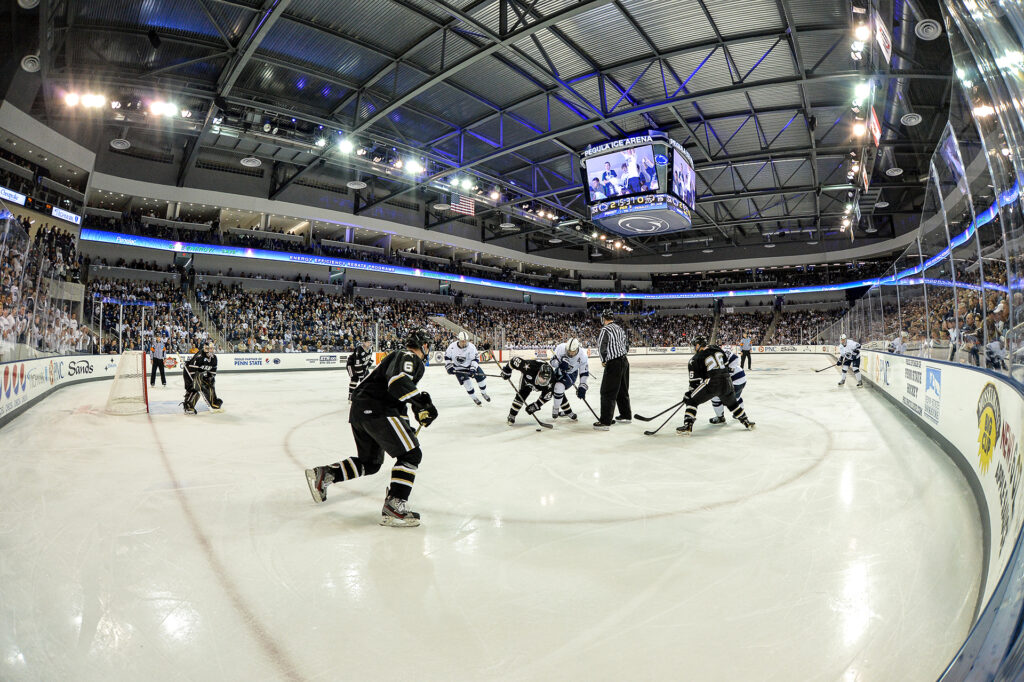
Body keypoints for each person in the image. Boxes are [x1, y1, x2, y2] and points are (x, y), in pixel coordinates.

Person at [304, 329, 438, 527]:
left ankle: (325, 475)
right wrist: (422, 403)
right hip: (378, 410)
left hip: (361, 410)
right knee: (411, 455)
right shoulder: (408, 356)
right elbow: (398, 382)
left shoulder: (399, 357)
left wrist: (415, 414)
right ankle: (394, 506)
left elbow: (398, 395)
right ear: (425, 346)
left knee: (371, 462)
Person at [676, 338, 755, 435]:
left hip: (712, 383)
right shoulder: (716, 349)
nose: (693, 348)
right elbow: (726, 364)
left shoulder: (694, 359)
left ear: (698, 345)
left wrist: (689, 394)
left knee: (692, 400)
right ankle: (747, 422)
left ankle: (687, 426)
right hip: (727, 382)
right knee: (733, 404)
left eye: (694, 345)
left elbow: (694, 383)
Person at [595, 312, 631, 430]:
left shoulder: (606, 329)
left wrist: (604, 360)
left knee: (607, 392)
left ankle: (605, 422)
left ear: (603, 319)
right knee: (622, 389)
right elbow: (627, 346)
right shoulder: (619, 328)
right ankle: (626, 415)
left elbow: (601, 347)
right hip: (624, 361)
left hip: (614, 363)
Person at [500, 356, 554, 426]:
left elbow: (547, 396)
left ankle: (512, 414)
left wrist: (536, 405)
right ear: (538, 374)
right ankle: (512, 415)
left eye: (545, 379)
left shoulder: (552, 381)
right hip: (527, 380)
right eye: (542, 378)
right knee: (522, 395)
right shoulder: (529, 368)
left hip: (536, 377)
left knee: (545, 390)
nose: (543, 381)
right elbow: (514, 360)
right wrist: (507, 370)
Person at [444, 331, 490, 406]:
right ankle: (474, 398)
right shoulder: (452, 347)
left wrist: (472, 369)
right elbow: (447, 357)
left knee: (481, 380)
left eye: (465, 341)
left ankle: (484, 393)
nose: (464, 343)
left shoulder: (471, 347)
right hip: (459, 368)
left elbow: (475, 359)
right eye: (462, 341)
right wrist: (449, 367)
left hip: (470, 366)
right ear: (458, 340)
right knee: (468, 385)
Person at [548, 338, 589, 421]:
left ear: (577, 349)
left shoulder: (583, 356)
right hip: (558, 372)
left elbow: (584, 372)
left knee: (559, 387)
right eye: (568, 351)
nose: (570, 353)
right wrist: (559, 364)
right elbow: (552, 362)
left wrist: (582, 386)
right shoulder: (561, 348)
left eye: (572, 352)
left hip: (572, 374)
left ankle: (556, 408)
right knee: (557, 391)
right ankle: (565, 410)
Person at [709, 346, 747, 425]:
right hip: (741, 378)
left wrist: (729, 372)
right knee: (736, 397)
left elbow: (735, 358)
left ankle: (720, 417)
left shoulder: (710, 356)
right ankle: (740, 413)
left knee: (715, 397)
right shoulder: (717, 353)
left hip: (735, 381)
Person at [183, 341, 221, 414]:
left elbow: (212, 372)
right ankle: (188, 405)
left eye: (212, 348)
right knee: (195, 387)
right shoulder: (199, 357)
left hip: (200, 374)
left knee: (210, 384)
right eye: (210, 348)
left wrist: (209, 378)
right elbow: (192, 369)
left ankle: (213, 402)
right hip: (189, 372)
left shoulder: (214, 358)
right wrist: (196, 380)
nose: (212, 350)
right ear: (206, 349)